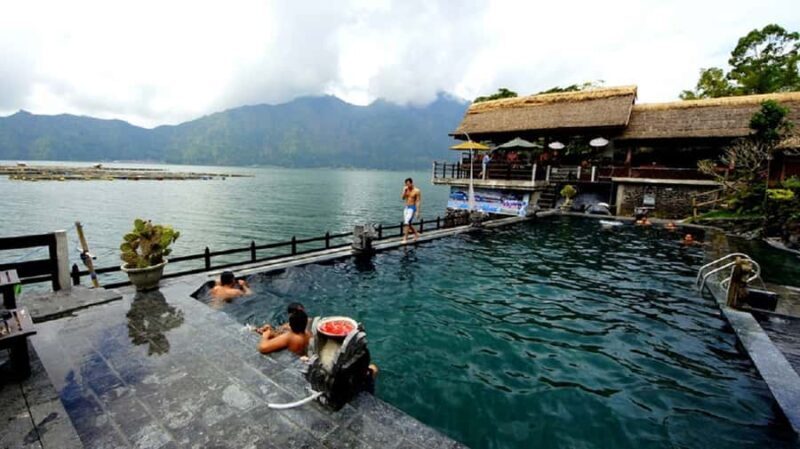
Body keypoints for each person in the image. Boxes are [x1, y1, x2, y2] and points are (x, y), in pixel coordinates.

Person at [401, 177, 422, 244]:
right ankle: (416, 234)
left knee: (406, 222)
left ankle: (405, 239)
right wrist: (404, 191)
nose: (407, 185)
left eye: (408, 184)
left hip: (412, 207)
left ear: (411, 183)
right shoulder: (406, 189)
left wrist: (417, 211)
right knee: (408, 223)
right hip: (406, 207)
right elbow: (402, 198)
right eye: (406, 184)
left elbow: (418, 201)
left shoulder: (417, 191)